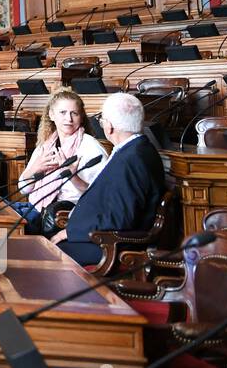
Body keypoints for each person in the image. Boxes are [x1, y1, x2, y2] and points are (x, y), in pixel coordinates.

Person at [54, 92, 164, 267]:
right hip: (97, 237)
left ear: (110, 126)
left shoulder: (132, 159)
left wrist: (71, 232)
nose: (102, 123)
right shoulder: (133, 150)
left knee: (46, 254)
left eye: (102, 119)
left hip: (110, 246)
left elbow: (120, 219)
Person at [15, 88, 105, 228]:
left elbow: (101, 197)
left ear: (81, 117)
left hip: (65, 216)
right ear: (51, 115)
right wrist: (34, 169)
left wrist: (73, 177)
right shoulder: (46, 144)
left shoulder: (90, 147)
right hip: (37, 208)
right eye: (62, 112)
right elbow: (24, 189)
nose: (68, 119)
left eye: (74, 113)